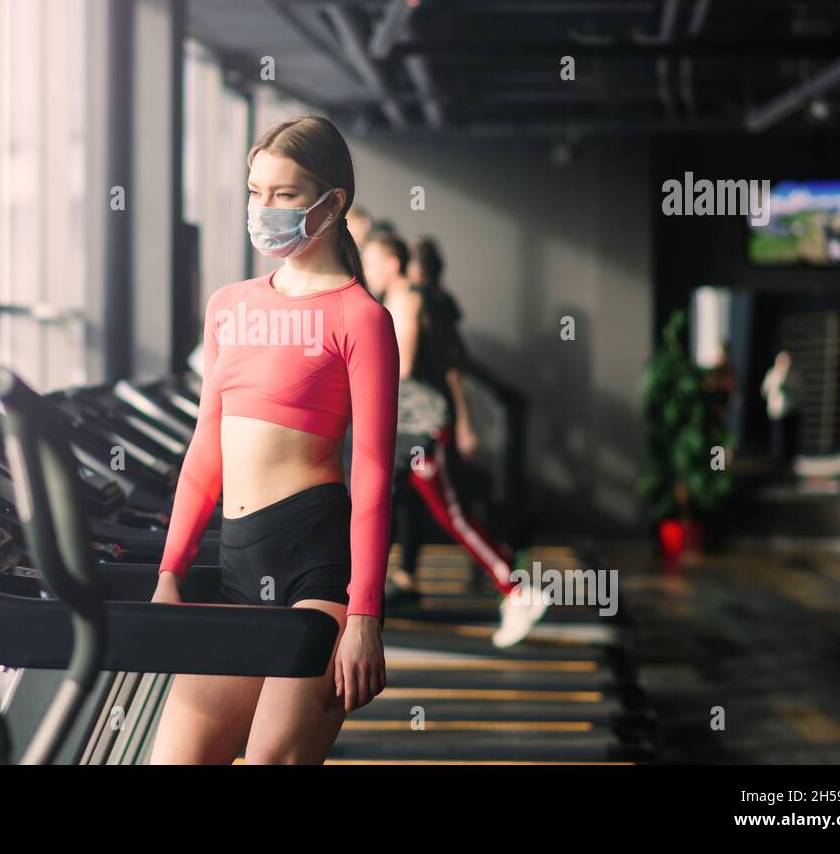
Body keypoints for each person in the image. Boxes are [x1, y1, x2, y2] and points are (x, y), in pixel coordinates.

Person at [149, 115, 399, 764]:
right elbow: (207, 448)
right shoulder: (229, 305)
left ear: (332, 202)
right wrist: (170, 570)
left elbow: (371, 471)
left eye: (283, 195)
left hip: (315, 565)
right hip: (237, 565)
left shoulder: (361, 318)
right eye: (255, 191)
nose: (263, 208)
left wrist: (365, 615)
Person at [362, 231, 548, 647]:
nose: (367, 270)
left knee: (454, 517)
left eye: (371, 262)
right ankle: (363, 601)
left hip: (422, 431)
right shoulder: (401, 302)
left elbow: (402, 371)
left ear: (392, 264)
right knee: (383, 510)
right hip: (409, 430)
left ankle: (518, 589)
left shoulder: (406, 302)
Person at [761, 350, 801, 463]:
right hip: (776, 412)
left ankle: (789, 460)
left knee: (790, 438)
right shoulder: (772, 374)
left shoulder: (794, 375)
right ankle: (777, 458)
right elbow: (765, 390)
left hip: (791, 412)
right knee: (777, 438)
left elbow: (799, 392)